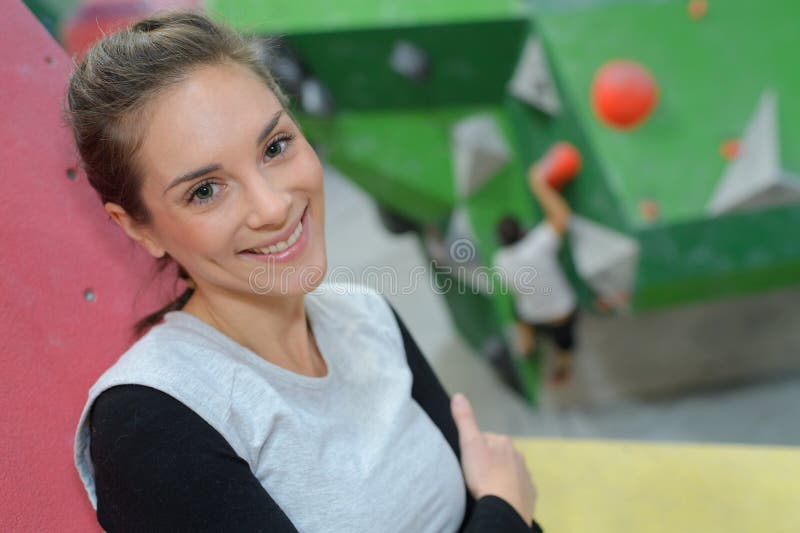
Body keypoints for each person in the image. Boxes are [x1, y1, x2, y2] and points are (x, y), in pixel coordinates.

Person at [66, 11, 542, 532]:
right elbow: (494, 501)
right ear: (139, 227)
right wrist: (506, 508)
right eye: (205, 190)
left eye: (275, 147)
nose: (272, 206)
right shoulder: (153, 423)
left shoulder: (367, 317)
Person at [493, 162, 579, 386]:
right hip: (560, 312)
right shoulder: (539, 245)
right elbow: (561, 216)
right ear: (523, 231)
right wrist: (539, 185)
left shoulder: (500, 261)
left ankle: (526, 345)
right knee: (563, 344)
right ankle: (562, 369)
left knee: (517, 309)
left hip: (531, 314)